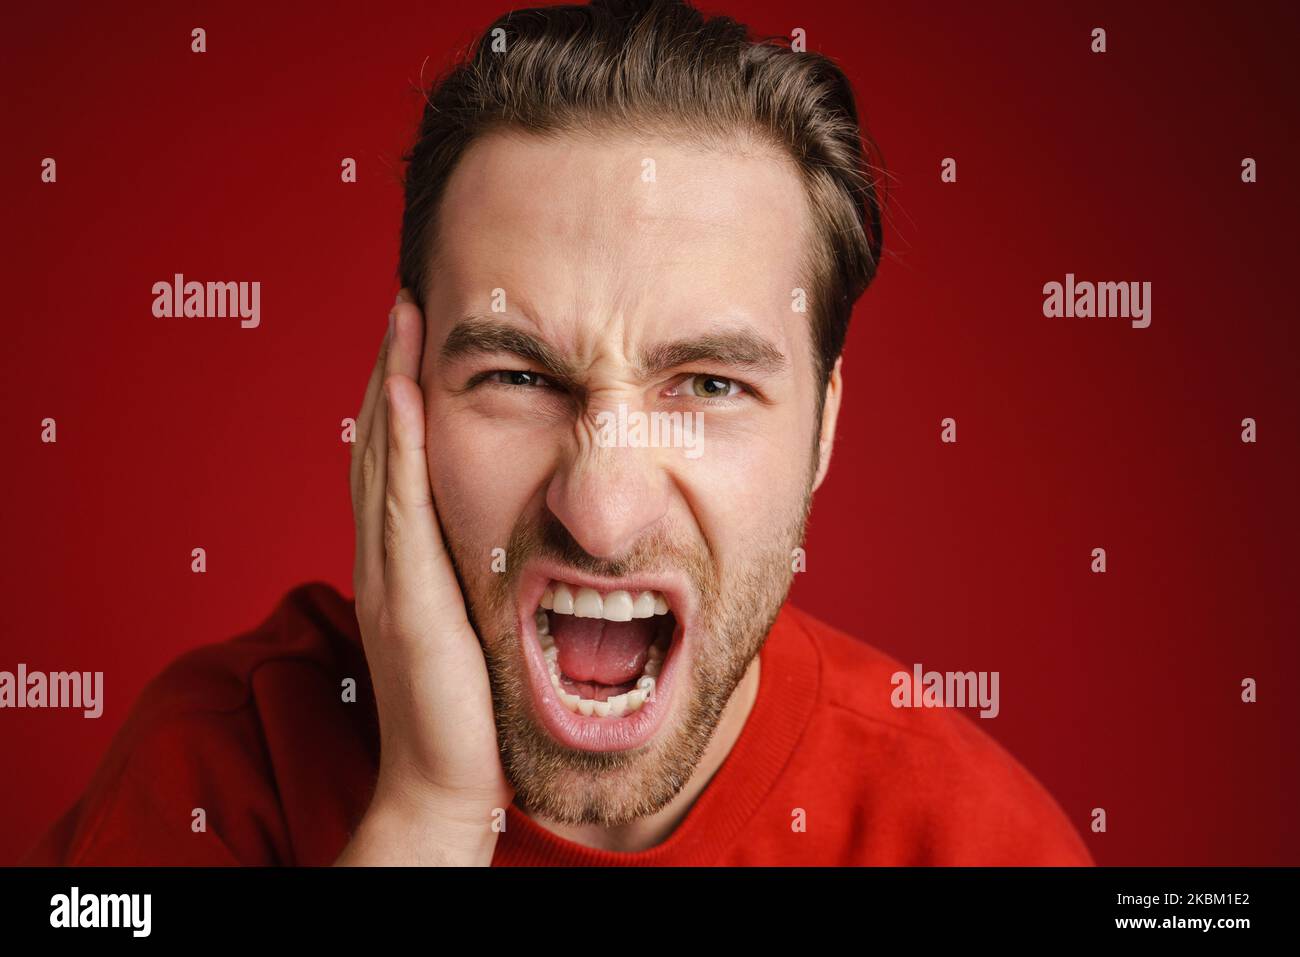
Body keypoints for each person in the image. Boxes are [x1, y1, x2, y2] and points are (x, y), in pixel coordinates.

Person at [25, 0, 1092, 866]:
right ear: (402, 404)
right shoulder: (222, 767)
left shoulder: (973, 843)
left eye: (709, 385)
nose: (601, 513)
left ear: (821, 433)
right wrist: (430, 813)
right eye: (519, 376)